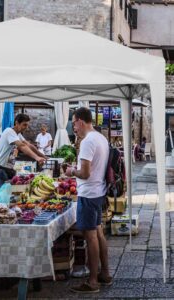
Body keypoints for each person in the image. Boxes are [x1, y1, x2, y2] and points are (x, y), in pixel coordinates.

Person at [65, 107, 111, 293]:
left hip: (89, 193)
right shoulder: (100, 137)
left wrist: (71, 171)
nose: (73, 127)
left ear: (80, 121)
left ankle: (92, 282)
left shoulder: (87, 141)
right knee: (98, 233)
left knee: (90, 236)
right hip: (98, 191)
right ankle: (105, 274)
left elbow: (84, 173)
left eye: (74, 122)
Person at [0, 114, 47, 187]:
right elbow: (22, 146)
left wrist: (43, 156)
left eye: (27, 125)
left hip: (9, 170)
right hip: (0, 170)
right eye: (24, 125)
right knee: (1, 195)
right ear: (17, 123)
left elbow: (29, 145)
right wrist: (37, 158)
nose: (26, 128)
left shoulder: (18, 135)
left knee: (10, 194)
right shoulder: (9, 131)